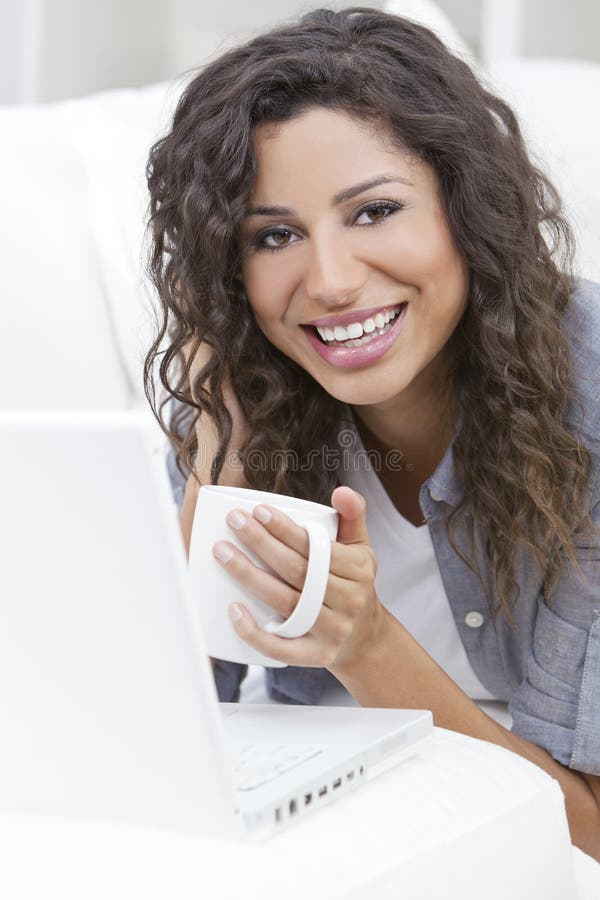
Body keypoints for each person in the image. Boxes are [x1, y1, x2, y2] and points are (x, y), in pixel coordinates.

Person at [144, 7, 600, 858]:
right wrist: (217, 469)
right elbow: (149, 744)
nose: (330, 281)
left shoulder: (592, 405)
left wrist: (367, 645)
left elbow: (591, 835)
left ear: (468, 210)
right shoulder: (242, 389)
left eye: (373, 211)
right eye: (274, 235)